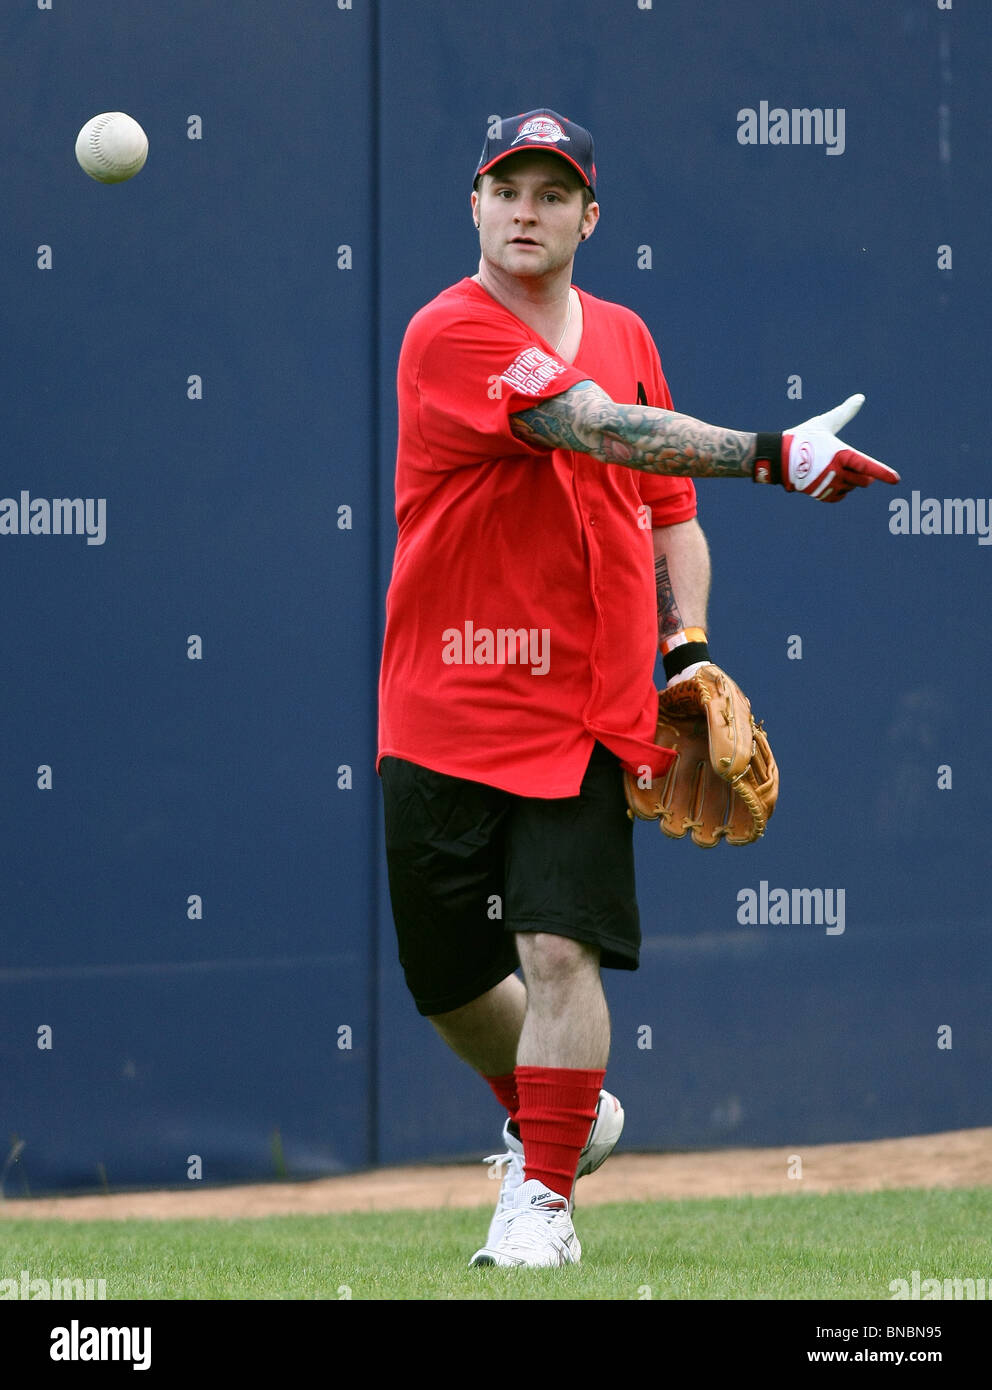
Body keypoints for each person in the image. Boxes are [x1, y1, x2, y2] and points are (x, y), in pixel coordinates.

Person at [376, 109, 898, 1269]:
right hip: (446, 702)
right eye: (506, 187)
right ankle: (563, 1112)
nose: (526, 209)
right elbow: (597, 430)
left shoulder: (624, 327)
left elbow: (667, 518)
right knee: (450, 982)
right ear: (472, 204)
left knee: (562, 952)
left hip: (587, 710)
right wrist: (770, 449)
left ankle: (542, 1204)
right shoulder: (445, 332)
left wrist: (683, 646)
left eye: (551, 193)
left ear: (587, 217)